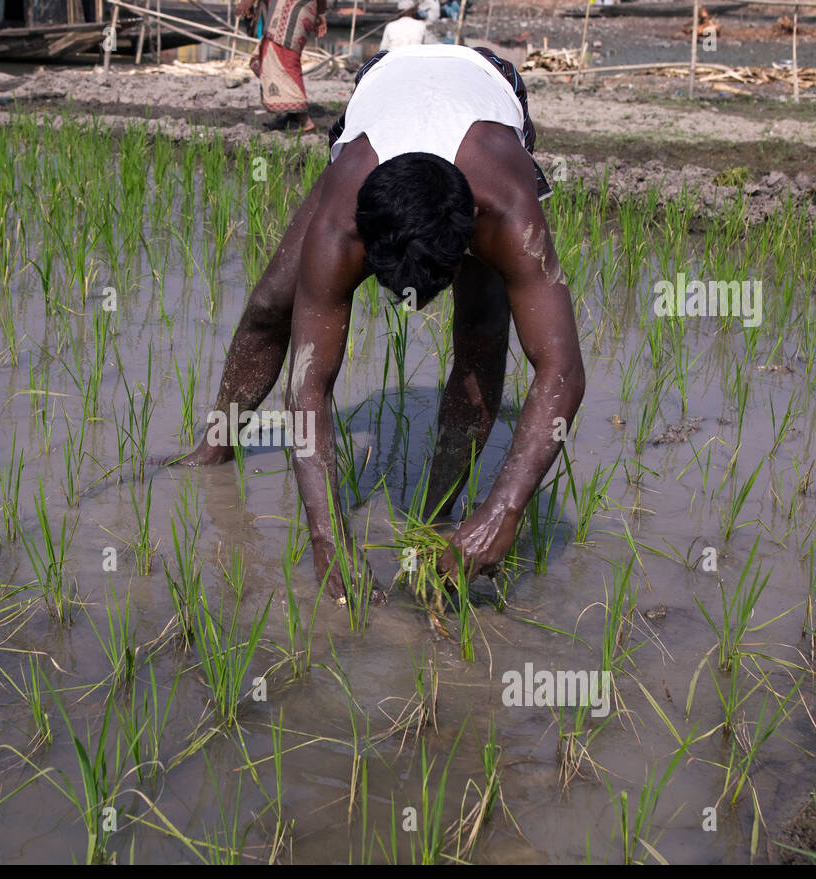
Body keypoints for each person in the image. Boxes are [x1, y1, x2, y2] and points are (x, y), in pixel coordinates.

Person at [166, 45, 585, 600]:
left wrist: (503, 511)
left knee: (481, 337)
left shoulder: (505, 211)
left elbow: (561, 371)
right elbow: (309, 385)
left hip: (488, 82)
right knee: (271, 303)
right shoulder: (343, 219)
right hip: (384, 81)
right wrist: (325, 537)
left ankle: (441, 513)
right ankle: (215, 445)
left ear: (471, 231)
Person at [238, 0, 327, 132]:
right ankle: (293, 115)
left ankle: (302, 119)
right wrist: (320, 13)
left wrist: (246, 2)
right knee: (282, 57)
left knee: (284, 58)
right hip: (303, 8)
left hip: (290, 9)